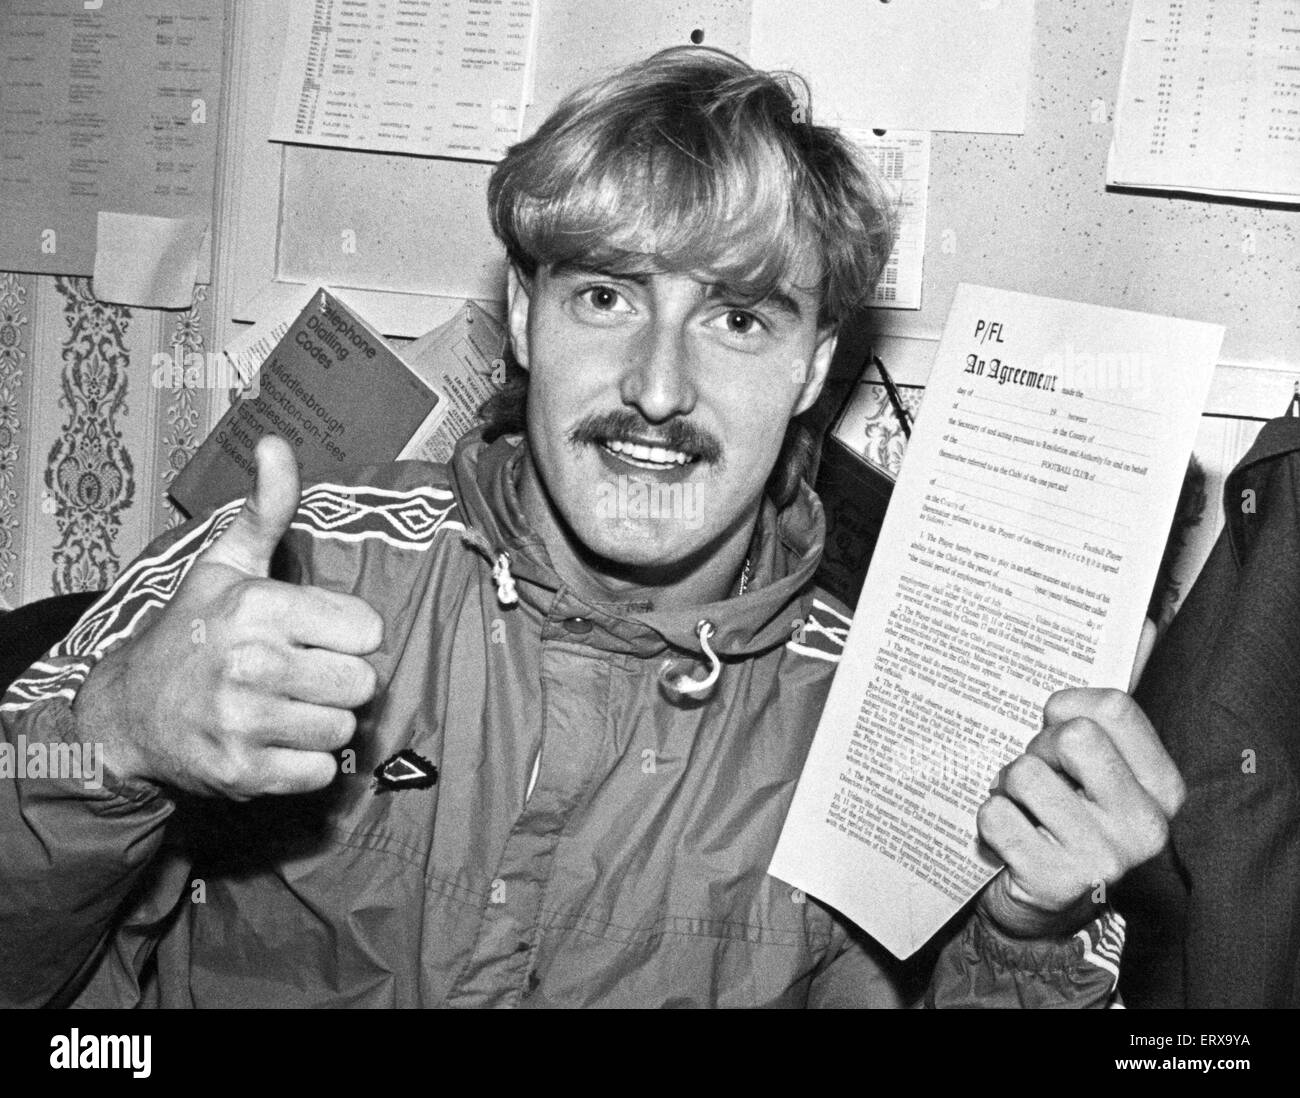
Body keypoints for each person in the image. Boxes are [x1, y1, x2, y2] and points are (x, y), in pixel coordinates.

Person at [0, 46, 1179, 1008]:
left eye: (737, 319)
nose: (657, 389)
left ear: (817, 365)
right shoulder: (289, 578)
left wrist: (1024, 938)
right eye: (606, 296)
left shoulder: (872, 729)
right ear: (521, 315)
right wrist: (107, 739)